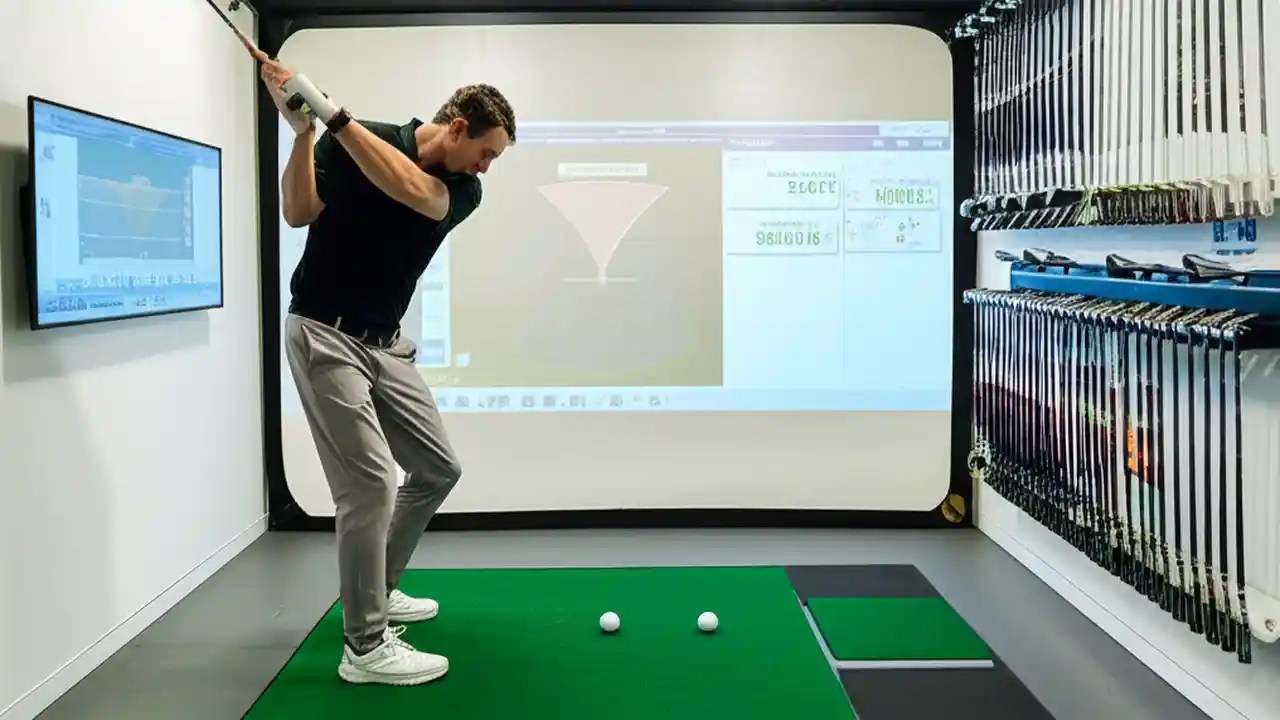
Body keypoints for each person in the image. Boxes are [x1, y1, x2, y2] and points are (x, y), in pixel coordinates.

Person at [257, 54, 515, 686]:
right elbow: (298, 212)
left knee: (436, 468)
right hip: (323, 333)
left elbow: (414, 192)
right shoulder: (356, 138)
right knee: (370, 485)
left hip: (385, 343)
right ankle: (365, 646)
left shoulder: (460, 189)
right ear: (456, 127)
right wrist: (304, 135)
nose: (487, 168)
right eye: (485, 152)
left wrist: (335, 117)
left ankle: (379, 587)